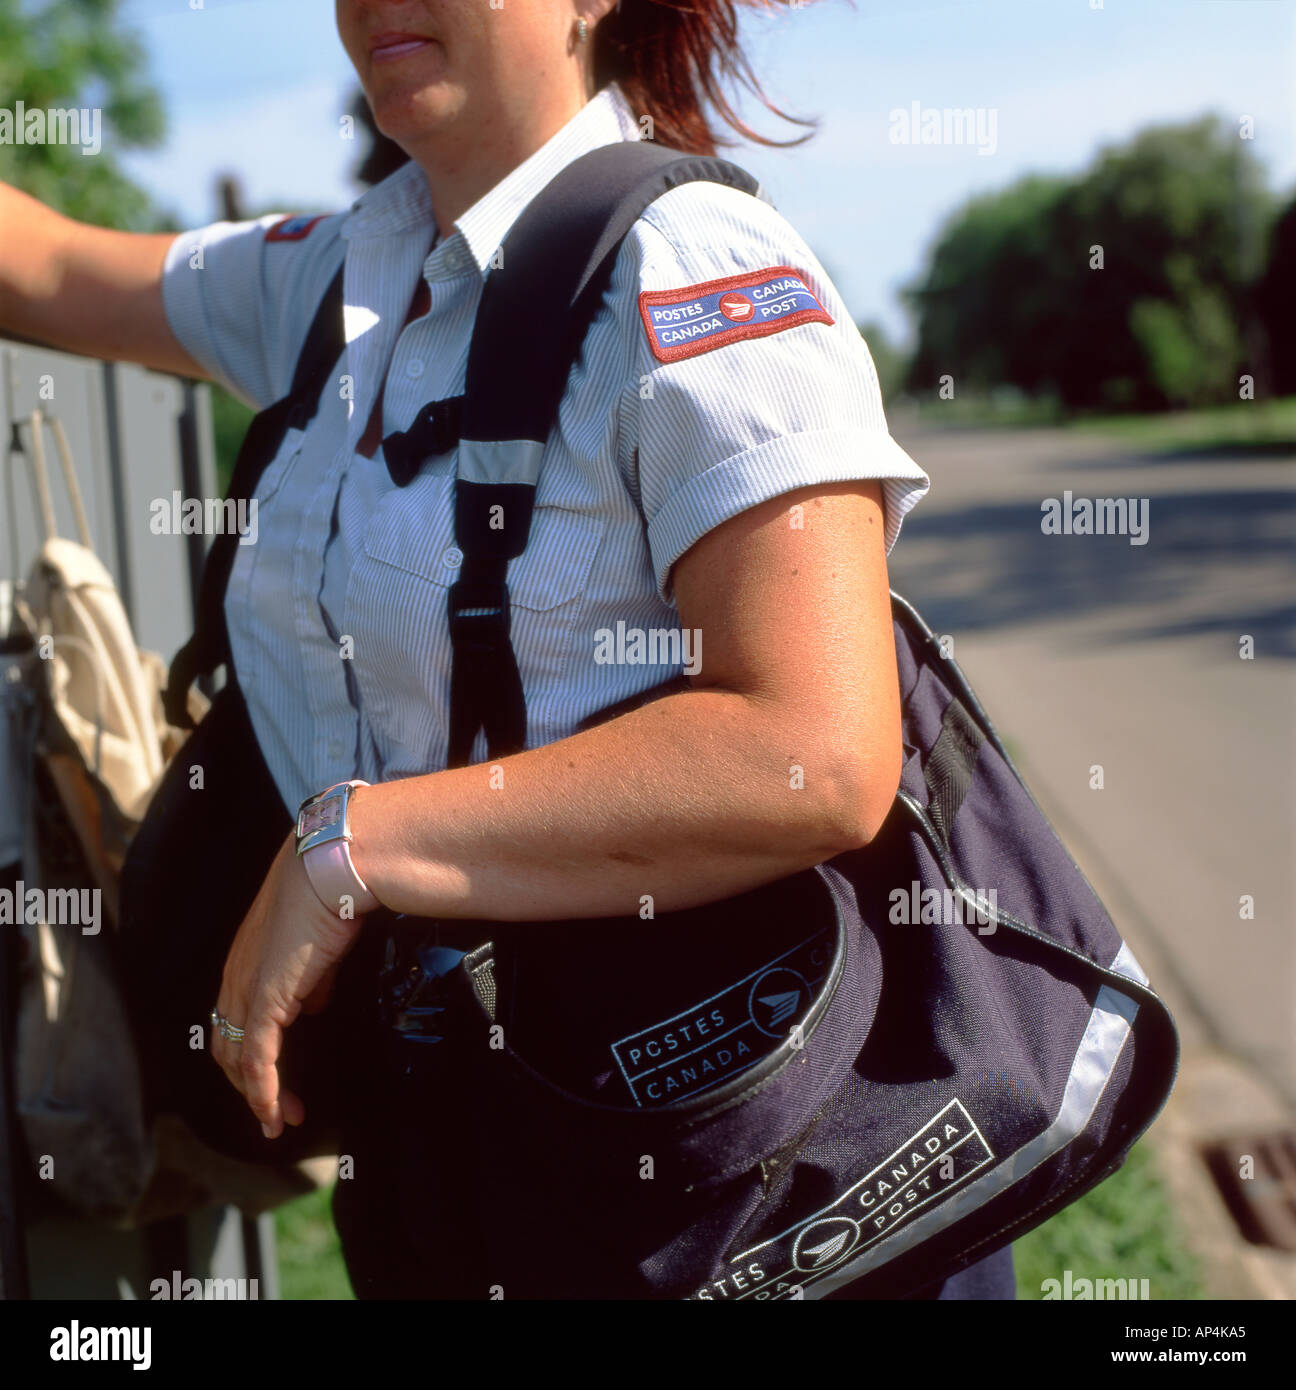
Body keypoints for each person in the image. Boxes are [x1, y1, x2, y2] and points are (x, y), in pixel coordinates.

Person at [0, 0, 1014, 1300]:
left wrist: (352, 848)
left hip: (736, 1170)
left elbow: (812, 753)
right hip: (451, 1151)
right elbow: (41, 266)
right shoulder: (327, 283)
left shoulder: (694, 265)